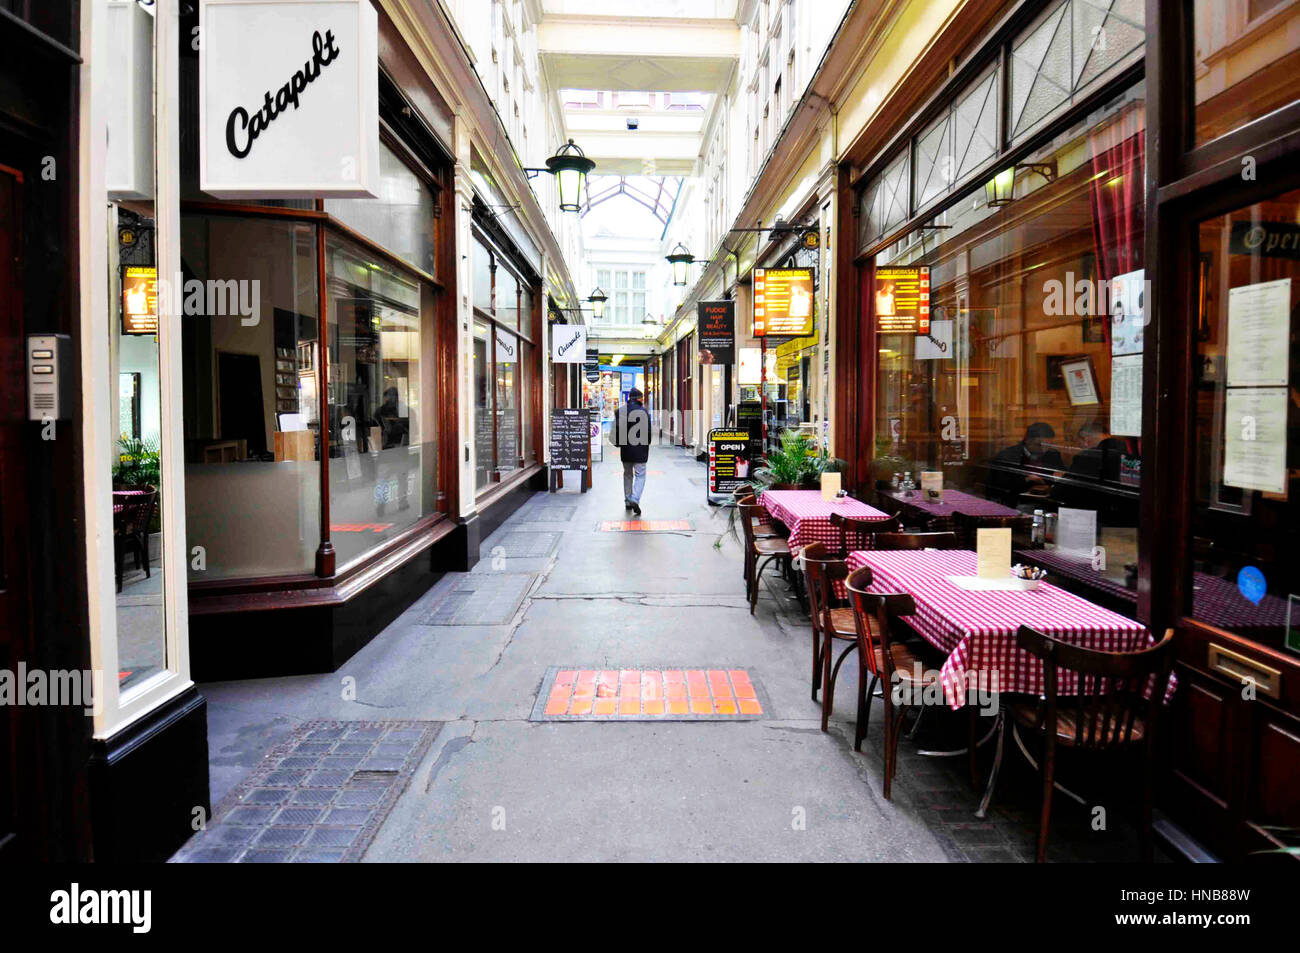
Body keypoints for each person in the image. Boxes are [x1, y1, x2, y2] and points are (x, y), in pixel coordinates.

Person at [987, 422, 1065, 501]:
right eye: (1039, 445)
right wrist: (1027, 479)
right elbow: (999, 487)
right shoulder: (1007, 456)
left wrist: (1060, 475)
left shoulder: (1053, 454)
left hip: (1047, 502)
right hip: (1016, 501)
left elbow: (1062, 473)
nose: (1044, 450)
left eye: (1047, 446)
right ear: (1027, 440)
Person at [612, 387, 650, 515]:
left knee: (627, 474)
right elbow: (648, 433)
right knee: (640, 475)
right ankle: (635, 498)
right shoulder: (644, 412)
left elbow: (616, 431)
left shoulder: (620, 412)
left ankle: (628, 500)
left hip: (626, 450)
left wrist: (618, 444)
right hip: (640, 450)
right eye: (642, 397)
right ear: (639, 398)